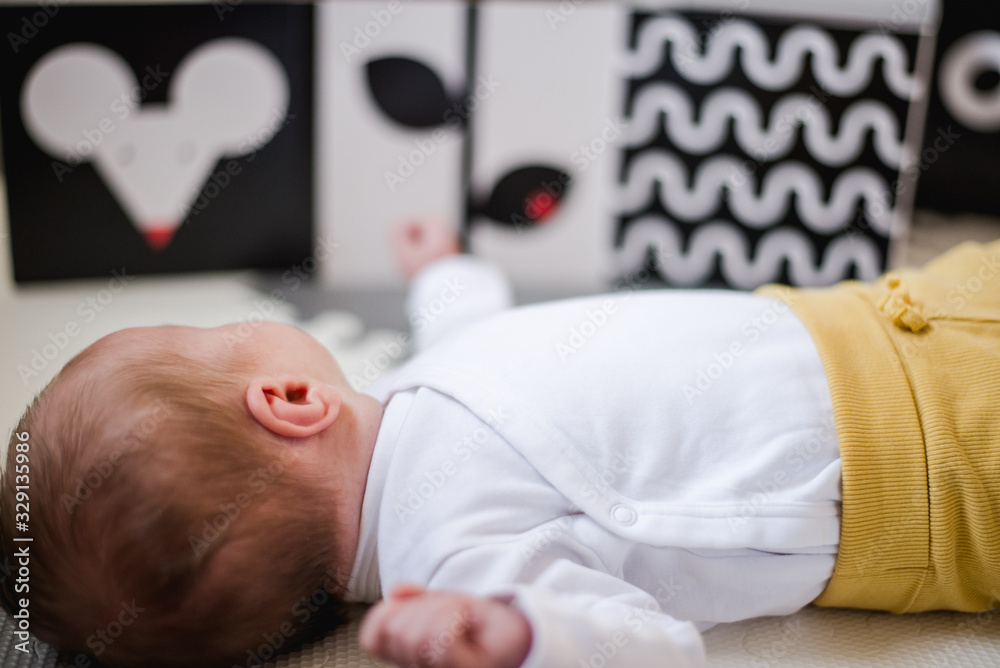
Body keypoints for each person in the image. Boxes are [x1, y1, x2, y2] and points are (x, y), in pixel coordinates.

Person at [2, 221, 998, 668]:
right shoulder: (457, 556)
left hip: (885, 315)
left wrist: (443, 272)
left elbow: (468, 341)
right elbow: (645, 647)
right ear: (291, 398)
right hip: (938, 464)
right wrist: (524, 636)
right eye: (215, 338)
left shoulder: (398, 404)